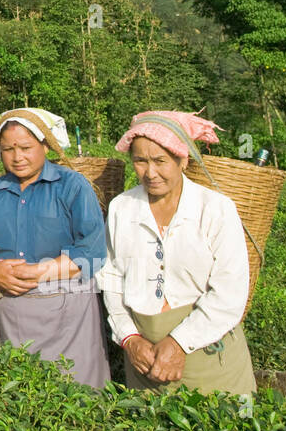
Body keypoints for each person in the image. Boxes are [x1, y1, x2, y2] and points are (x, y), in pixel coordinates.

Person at [97, 110, 256, 395]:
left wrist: (179, 342)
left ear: (183, 160)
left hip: (207, 354)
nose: (150, 173)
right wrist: (130, 338)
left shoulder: (216, 209)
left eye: (160, 161)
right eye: (140, 161)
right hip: (143, 359)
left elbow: (230, 293)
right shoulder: (123, 208)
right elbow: (111, 280)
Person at [0, 107, 109, 388]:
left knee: (77, 392)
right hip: (12, 310)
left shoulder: (72, 186)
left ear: (45, 145)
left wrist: (41, 271)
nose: (17, 157)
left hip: (69, 312)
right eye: (8, 149)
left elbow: (92, 252)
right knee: (22, 394)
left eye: (26, 147)